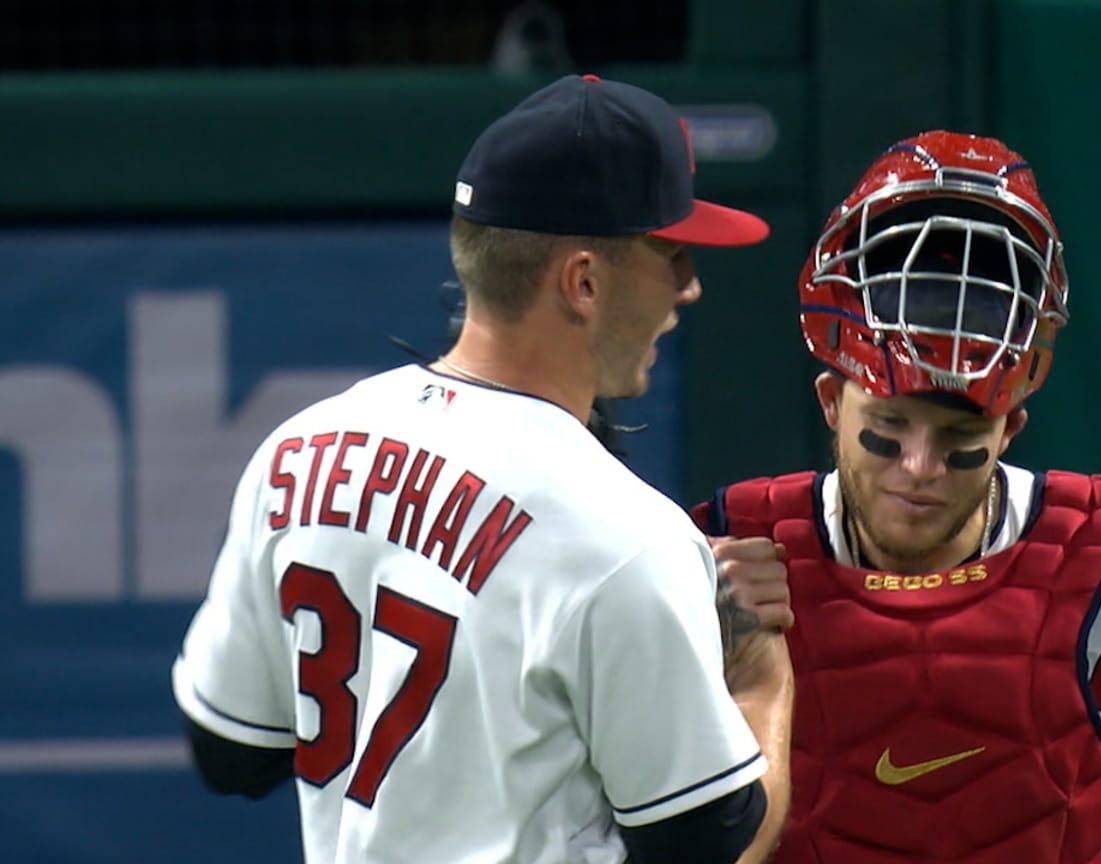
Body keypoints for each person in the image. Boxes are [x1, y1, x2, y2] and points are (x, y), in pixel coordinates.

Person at [171, 74, 795, 864]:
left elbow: (231, 755)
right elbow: (708, 839)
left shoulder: (297, 451)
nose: (690, 286)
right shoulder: (628, 539)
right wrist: (759, 678)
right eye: (671, 254)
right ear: (584, 281)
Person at [695, 131, 1101, 863]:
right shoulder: (720, 559)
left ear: (1011, 430)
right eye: (887, 429)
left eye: (960, 437)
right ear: (830, 405)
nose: (919, 467)